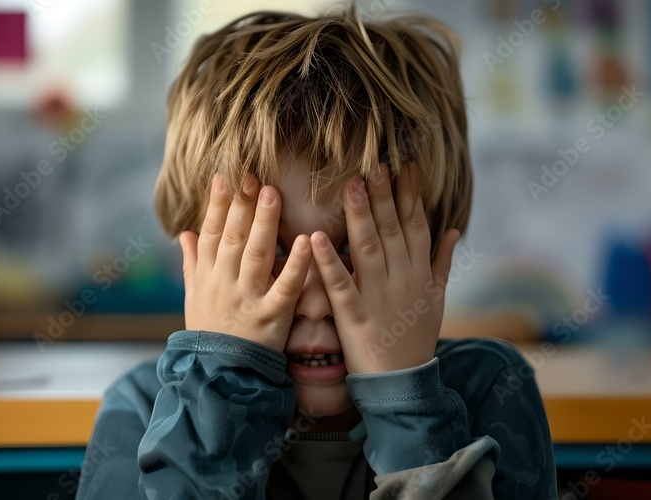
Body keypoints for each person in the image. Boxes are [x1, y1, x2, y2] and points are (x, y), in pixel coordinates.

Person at [76, 7, 556, 499]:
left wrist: (407, 405)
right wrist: (223, 389)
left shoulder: (490, 389)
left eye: (358, 249)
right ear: (196, 262)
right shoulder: (142, 409)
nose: (314, 301)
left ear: (433, 253)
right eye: (268, 250)